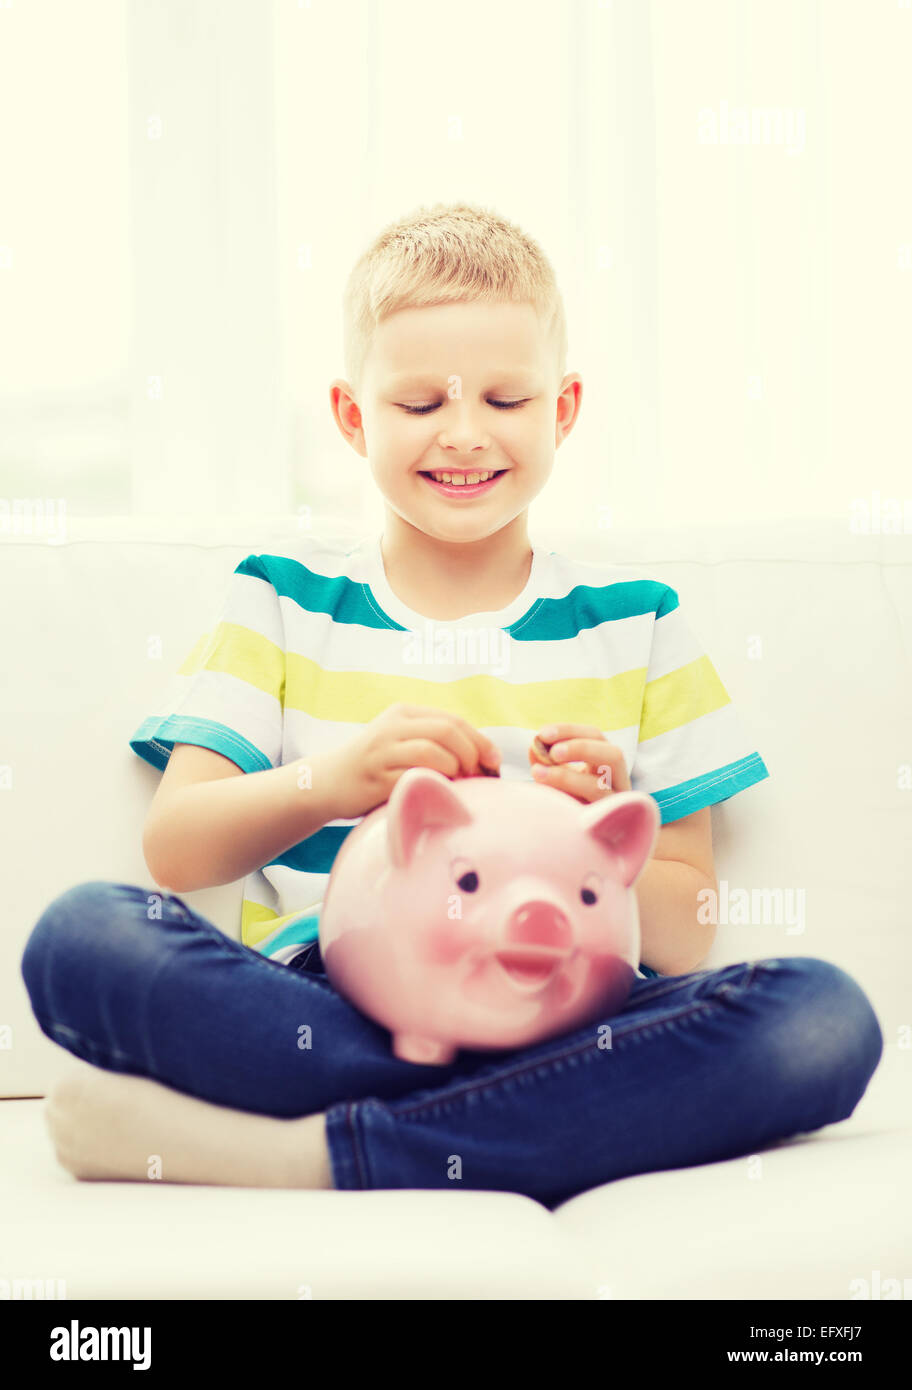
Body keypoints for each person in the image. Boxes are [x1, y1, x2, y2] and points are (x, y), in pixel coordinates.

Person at [21, 202, 882, 1207]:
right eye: (421, 402)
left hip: (570, 1009)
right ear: (353, 416)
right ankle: (546, 1120)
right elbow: (178, 849)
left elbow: (686, 930)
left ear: (563, 410)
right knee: (82, 936)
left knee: (824, 1017)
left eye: (507, 400)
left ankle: (325, 1151)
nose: (465, 434)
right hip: (327, 1004)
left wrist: (593, 835)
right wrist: (328, 783)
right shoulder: (284, 601)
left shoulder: (640, 624)